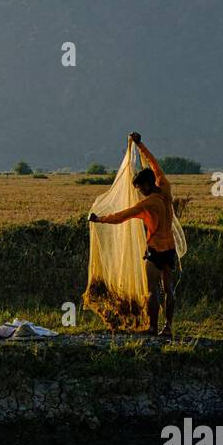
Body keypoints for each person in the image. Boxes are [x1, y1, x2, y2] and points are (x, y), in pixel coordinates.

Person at [88, 132, 178, 337]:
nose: (139, 192)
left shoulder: (146, 204)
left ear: (146, 185)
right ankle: (169, 327)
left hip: (155, 249)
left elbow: (121, 216)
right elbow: (155, 164)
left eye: (139, 188)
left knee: (152, 290)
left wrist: (99, 219)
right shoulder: (165, 188)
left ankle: (154, 328)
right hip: (170, 247)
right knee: (169, 288)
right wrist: (140, 145)